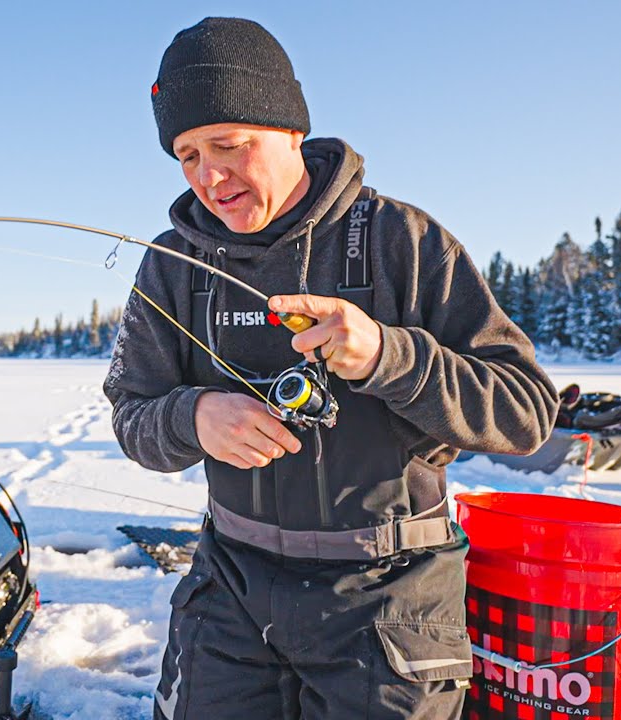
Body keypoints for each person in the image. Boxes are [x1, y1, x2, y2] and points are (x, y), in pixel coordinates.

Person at [103, 17, 558, 720]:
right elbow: (132, 415)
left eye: (229, 145)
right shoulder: (173, 266)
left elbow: (525, 412)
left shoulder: (401, 241)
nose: (208, 176)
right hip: (231, 589)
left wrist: (387, 356)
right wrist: (191, 416)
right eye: (187, 155)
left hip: (391, 597)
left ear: (289, 129)